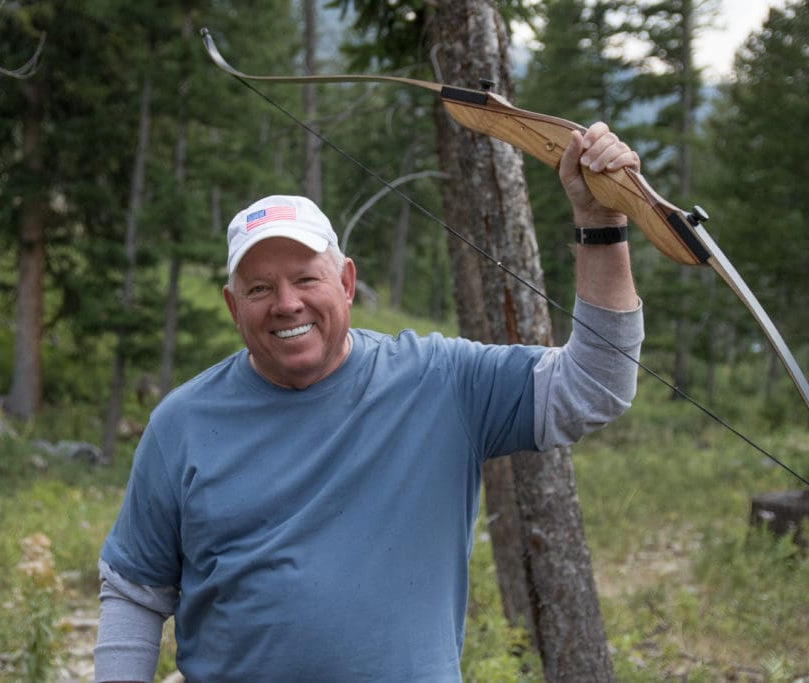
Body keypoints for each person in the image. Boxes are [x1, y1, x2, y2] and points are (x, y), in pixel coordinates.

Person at [95, 122, 644, 682]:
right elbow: (135, 590)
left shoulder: (441, 381)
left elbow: (595, 387)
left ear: (347, 282)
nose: (287, 304)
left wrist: (600, 225)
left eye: (306, 279)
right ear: (234, 307)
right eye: (259, 288)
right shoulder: (182, 423)